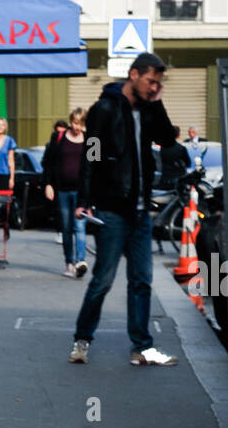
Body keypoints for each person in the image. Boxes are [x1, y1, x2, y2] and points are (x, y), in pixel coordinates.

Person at [69, 52, 179, 366]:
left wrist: (156, 102)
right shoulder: (104, 109)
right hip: (112, 209)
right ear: (133, 75)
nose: (153, 87)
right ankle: (82, 339)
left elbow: (166, 139)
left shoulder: (148, 110)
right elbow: (91, 155)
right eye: (150, 81)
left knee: (141, 280)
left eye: (158, 83)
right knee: (103, 279)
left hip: (141, 211)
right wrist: (83, 200)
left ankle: (142, 347)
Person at [43, 108, 88, 278]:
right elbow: (48, 162)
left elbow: (96, 167)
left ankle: (80, 261)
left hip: (82, 191)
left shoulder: (92, 140)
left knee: (80, 226)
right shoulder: (58, 137)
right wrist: (48, 184)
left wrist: (92, 197)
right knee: (67, 228)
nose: (78, 127)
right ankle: (69, 263)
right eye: (75, 123)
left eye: (81, 124)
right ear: (71, 121)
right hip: (62, 190)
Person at [43, 119, 68, 243]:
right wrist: (48, 183)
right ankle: (61, 231)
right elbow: (47, 163)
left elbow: (92, 160)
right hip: (58, 182)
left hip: (74, 182)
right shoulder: (53, 143)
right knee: (60, 209)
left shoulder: (88, 138)